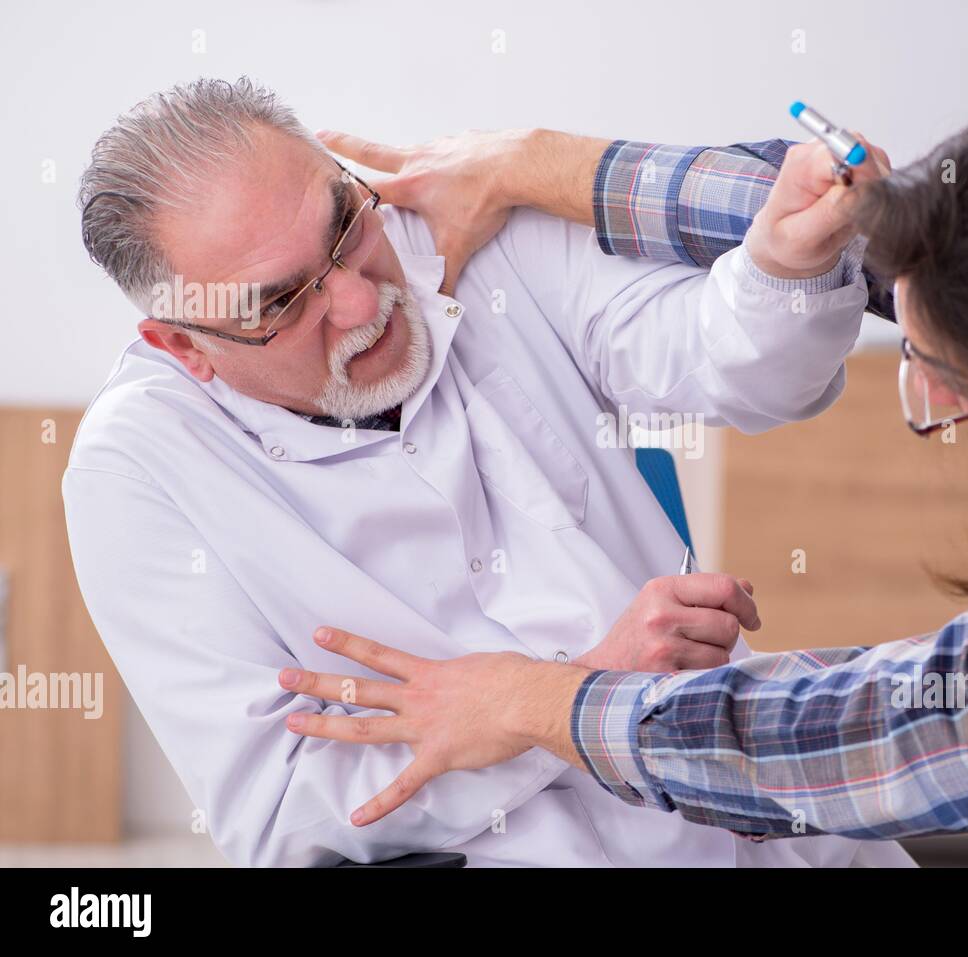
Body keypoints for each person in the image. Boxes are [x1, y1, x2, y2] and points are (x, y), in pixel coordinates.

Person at [289, 82, 968, 868]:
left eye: (952, 380)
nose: (929, 409)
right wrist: (531, 163)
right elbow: (844, 216)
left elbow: (898, 728)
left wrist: (536, 700)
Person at [66, 76, 912, 867]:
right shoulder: (136, 466)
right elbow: (283, 812)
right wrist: (564, 698)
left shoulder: (464, 225)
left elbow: (741, 367)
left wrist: (785, 258)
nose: (363, 303)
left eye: (345, 229)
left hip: (769, 820)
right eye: (285, 304)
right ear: (185, 345)